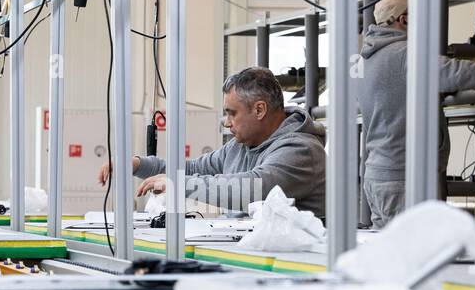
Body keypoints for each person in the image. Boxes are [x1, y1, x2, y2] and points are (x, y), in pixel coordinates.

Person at [356, 0, 475, 228]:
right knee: (417, 254)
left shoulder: (367, 59)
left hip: (377, 175)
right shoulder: (405, 55)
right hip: (404, 177)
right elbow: (455, 72)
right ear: (404, 19)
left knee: (392, 255)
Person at [99, 66, 327, 220]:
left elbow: (254, 188)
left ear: (259, 109)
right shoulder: (240, 146)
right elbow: (195, 169)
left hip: (294, 268)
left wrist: (180, 185)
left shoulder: (301, 150)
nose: (227, 123)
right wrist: (139, 164)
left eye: (232, 114)